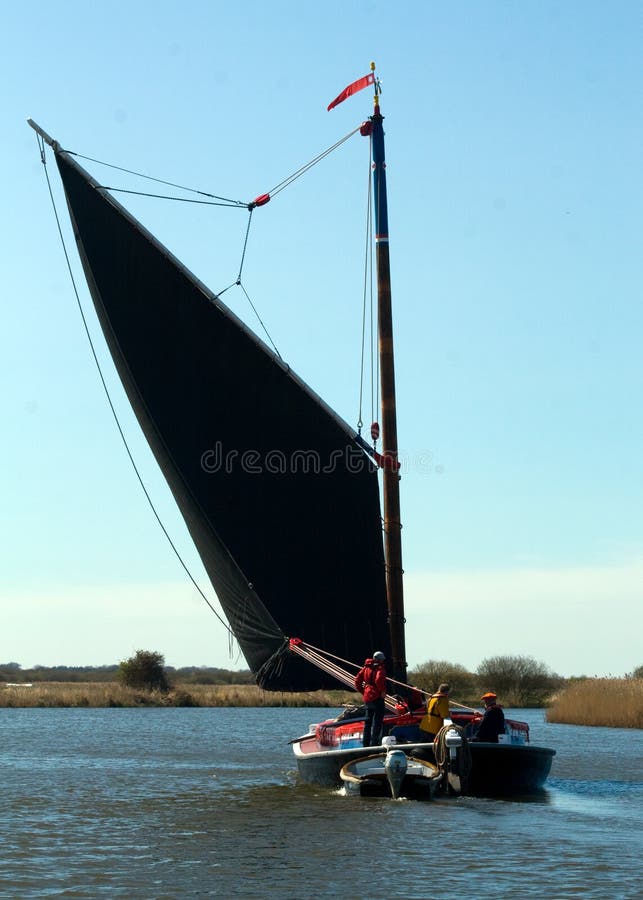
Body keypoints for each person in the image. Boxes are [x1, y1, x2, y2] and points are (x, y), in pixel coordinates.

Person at [354, 651, 387, 747]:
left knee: (368, 722)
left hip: (368, 698)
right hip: (377, 697)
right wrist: (383, 692)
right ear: (380, 659)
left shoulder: (366, 667)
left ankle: (365, 744)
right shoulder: (380, 668)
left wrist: (363, 692)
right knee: (377, 722)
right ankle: (374, 744)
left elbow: (357, 681)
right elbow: (378, 679)